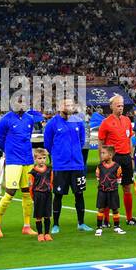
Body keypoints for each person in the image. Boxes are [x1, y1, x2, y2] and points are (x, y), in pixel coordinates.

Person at [0, 102, 44, 238]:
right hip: (13, 160)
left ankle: (26, 226)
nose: (20, 105)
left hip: (28, 159)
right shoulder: (5, 120)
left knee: (27, 192)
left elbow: (27, 137)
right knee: (10, 192)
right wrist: (9, 151)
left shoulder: (29, 119)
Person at [42, 99, 89, 233]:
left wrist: (74, 154)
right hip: (60, 166)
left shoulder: (78, 122)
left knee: (79, 194)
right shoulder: (52, 123)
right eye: (66, 105)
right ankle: (55, 224)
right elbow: (48, 144)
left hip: (77, 165)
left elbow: (81, 141)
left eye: (70, 105)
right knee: (58, 195)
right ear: (59, 107)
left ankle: (81, 223)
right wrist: (58, 155)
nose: (69, 107)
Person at [97, 95, 136, 224]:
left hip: (126, 157)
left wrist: (131, 157)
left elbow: (130, 140)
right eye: (118, 105)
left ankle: (129, 218)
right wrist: (102, 161)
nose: (120, 108)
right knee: (109, 188)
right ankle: (106, 220)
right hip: (113, 159)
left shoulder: (127, 120)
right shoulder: (106, 122)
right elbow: (101, 143)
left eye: (121, 105)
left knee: (127, 188)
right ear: (111, 106)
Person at [94, 145, 126, 236]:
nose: (101, 155)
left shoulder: (117, 167)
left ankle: (117, 227)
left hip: (113, 191)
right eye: (101, 153)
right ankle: (99, 227)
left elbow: (119, 179)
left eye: (104, 153)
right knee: (101, 209)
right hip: (102, 191)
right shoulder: (99, 167)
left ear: (111, 155)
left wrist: (113, 186)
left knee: (115, 209)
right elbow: (98, 178)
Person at [29, 149, 55, 241]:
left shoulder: (49, 170)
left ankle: (47, 233)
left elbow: (51, 182)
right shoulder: (33, 172)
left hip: (47, 194)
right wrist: (33, 197)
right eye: (40, 158)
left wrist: (49, 189)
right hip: (38, 195)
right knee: (38, 215)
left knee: (47, 215)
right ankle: (40, 234)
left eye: (44, 158)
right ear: (35, 159)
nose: (42, 160)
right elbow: (31, 186)